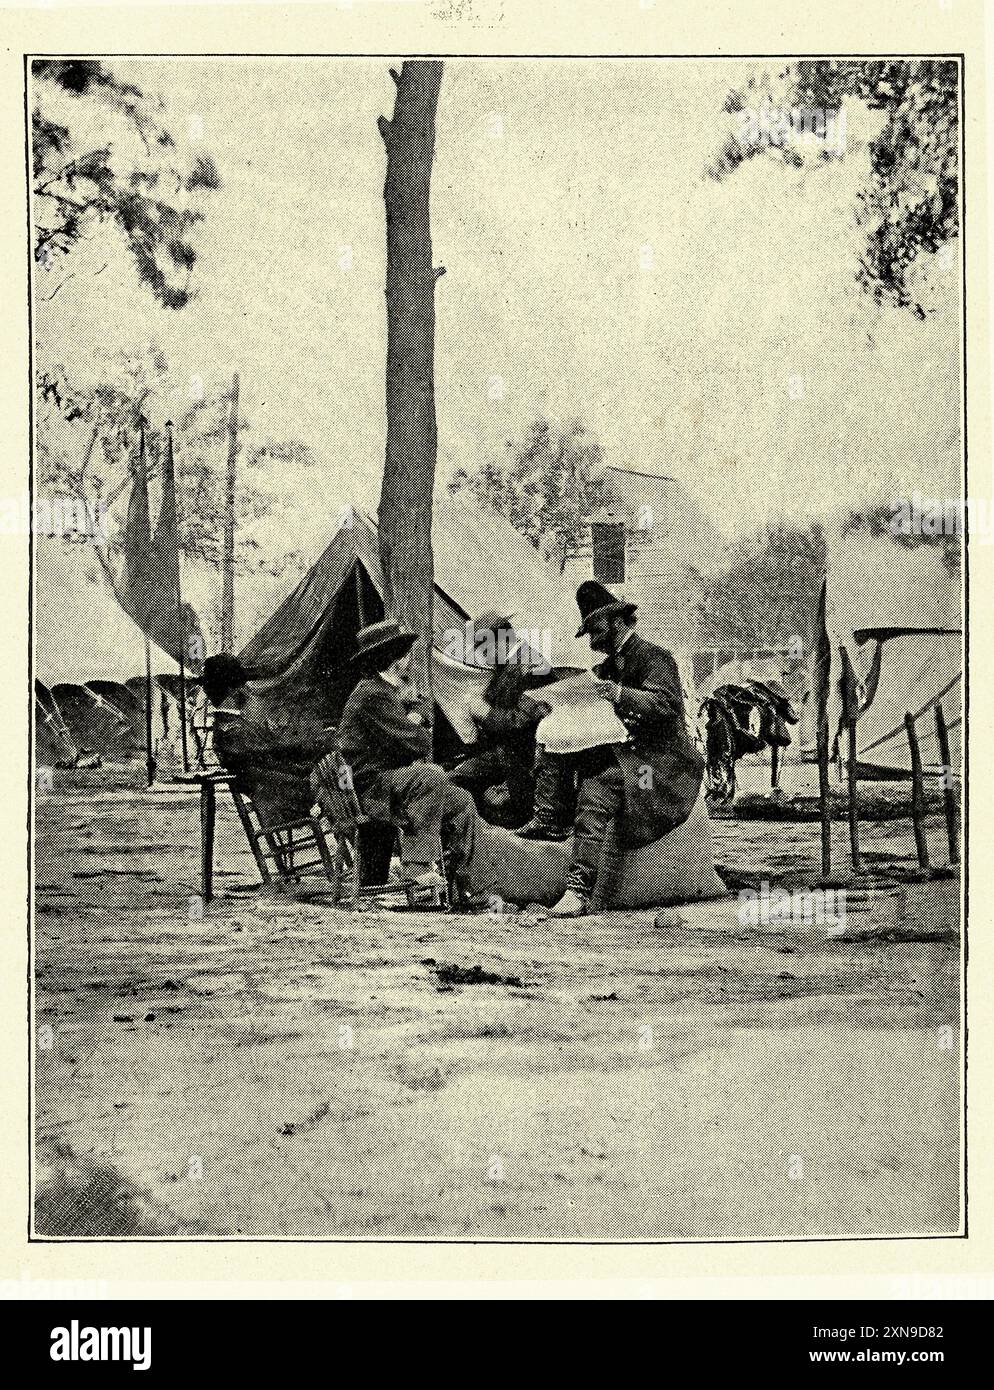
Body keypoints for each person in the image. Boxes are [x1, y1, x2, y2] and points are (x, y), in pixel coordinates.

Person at [517, 581, 705, 917]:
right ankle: (548, 819)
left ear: (617, 621)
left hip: (658, 769)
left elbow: (666, 705)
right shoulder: (605, 668)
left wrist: (617, 693)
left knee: (597, 786)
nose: (592, 640)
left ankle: (578, 889)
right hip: (629, 754)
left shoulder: (653, 657)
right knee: (553, 744)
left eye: (595, 629)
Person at [334, 620, 485, 908]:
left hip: (382, 782)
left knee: (461, 799)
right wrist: (415, 719)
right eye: (405, 654)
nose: (409, 661)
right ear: (394, 659)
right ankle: (417, 867)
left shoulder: (383, 691)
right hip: (368, 789)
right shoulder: (373, 695)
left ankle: (467, 883)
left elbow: (411, 732)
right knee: (430, 776)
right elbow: (417, 743)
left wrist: (413, 716)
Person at [200, 652, 336, 824]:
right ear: (234, 690)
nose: (248, 690)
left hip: (285, 789)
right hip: (282, 799)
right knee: (339, 775)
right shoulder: (231, 732)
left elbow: (274, 750)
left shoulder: (234, 725)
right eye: (243, 685)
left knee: (335, 770)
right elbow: (275, 750)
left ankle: (346, 843)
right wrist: (315, 744)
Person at [448, 611, 551, 827]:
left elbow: (522, 722)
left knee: (491, 808)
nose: (482, 655)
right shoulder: (507, 665)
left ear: (501, 640)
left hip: (524, 762)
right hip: (502, 754)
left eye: (484, 648)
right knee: (451, 781)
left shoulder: (532, 667)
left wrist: (484, 712)